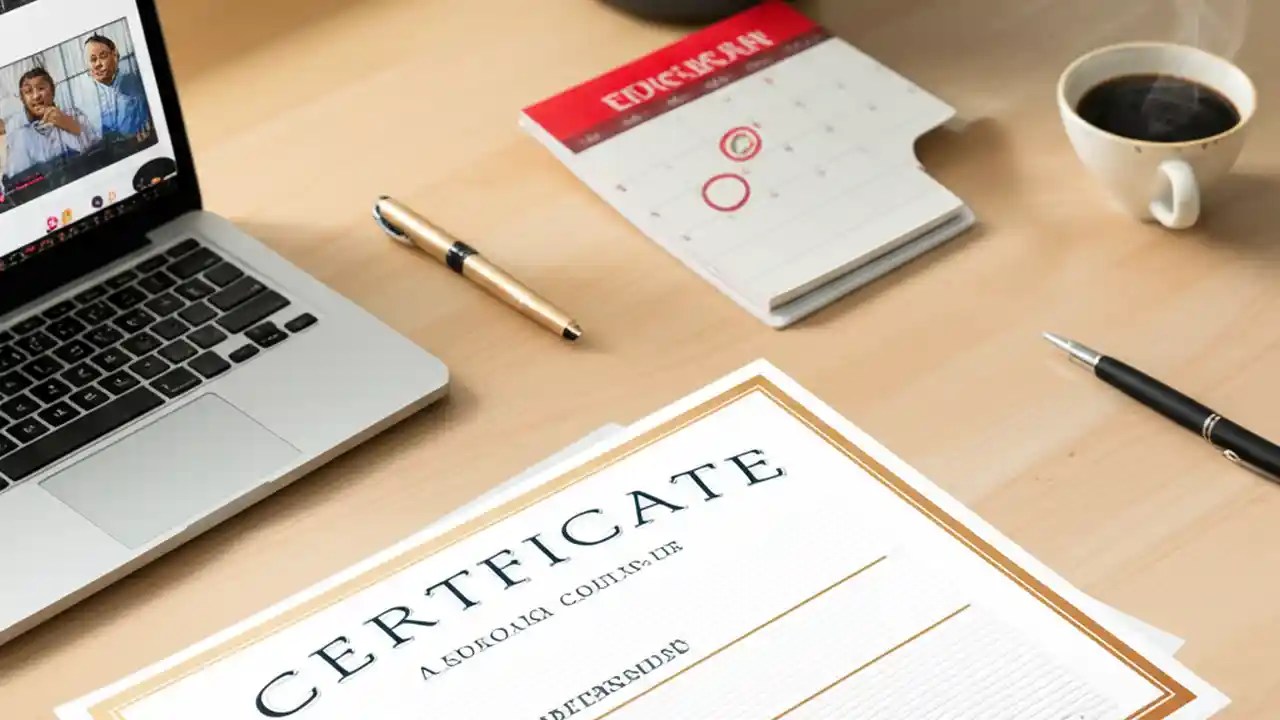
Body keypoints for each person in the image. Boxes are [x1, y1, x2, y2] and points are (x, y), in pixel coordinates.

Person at [3, 67, 99, 178]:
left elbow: (95, 151)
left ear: (52, 90)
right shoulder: (21, 136)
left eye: (41, 88)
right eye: (28, 91)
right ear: (22, 99)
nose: (36, 96)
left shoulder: (74, 115)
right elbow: (18, 178)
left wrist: (68, 124)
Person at [84, 34, 150, 139]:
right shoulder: (88, 97)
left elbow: (129, 129)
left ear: (114, 55)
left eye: (103, 56)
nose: (98, 64)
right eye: (93, 60)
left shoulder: (133, 83)